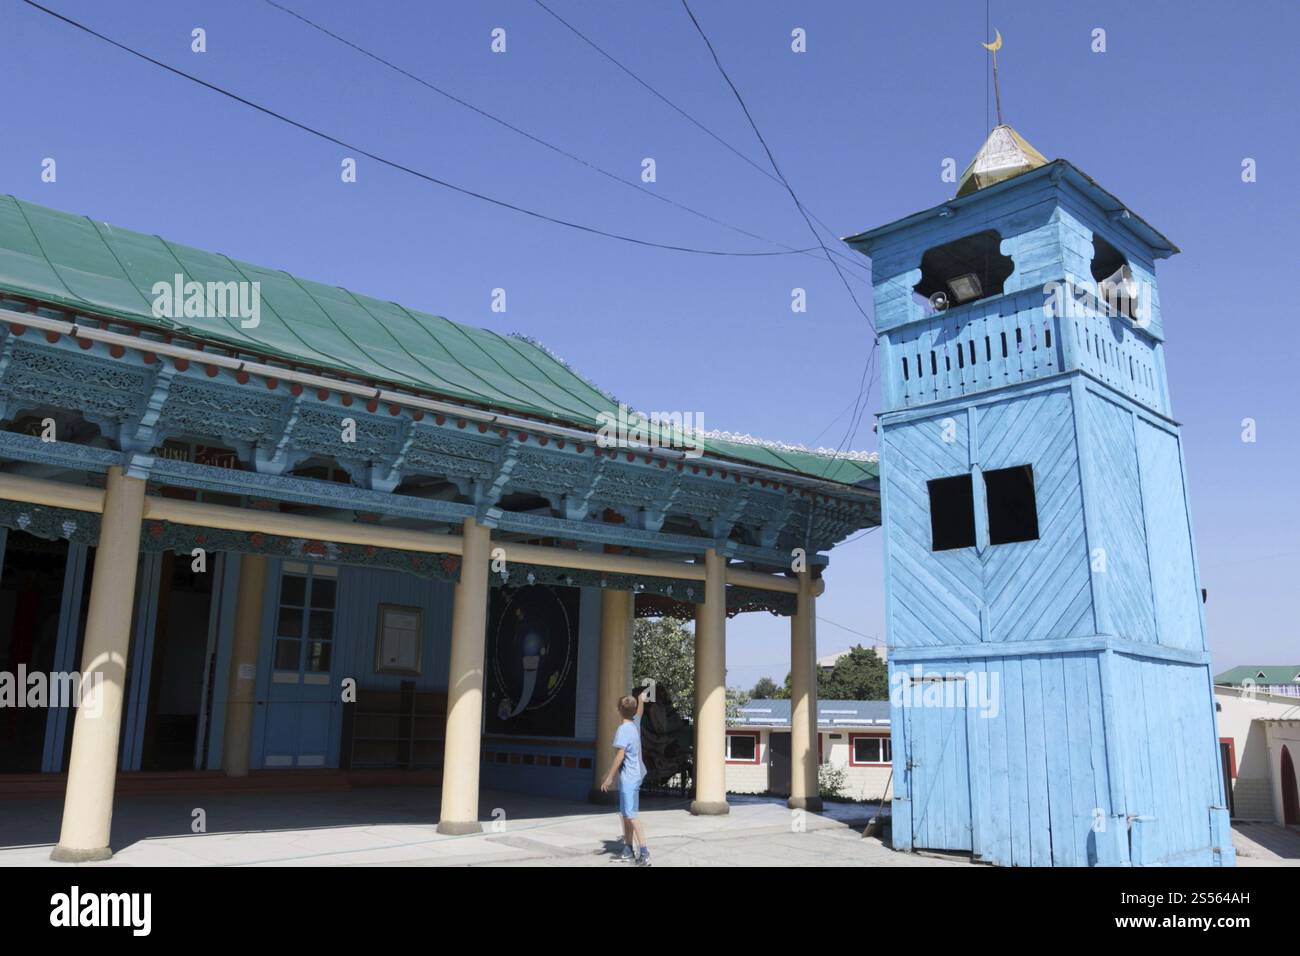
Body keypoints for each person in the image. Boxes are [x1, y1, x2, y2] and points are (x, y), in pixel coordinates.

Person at [599, 687, 650, 865]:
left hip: (629, 777)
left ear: (619, 710)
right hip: (633, 775)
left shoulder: (623, 729)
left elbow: (620, 755)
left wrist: (609, 777)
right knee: (626, 814)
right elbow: (640, 711)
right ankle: (628, 849)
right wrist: (641, 698)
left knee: (631, 815)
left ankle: (644, 852)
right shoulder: (635, 723)